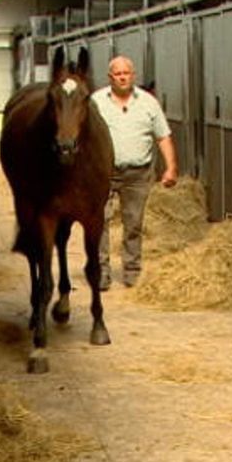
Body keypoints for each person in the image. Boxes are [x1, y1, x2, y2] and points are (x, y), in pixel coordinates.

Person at [91, 55, 178, 289]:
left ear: (133, 75)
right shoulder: (95, 102)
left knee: (133, 223)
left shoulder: (148, 103)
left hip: (138, 174)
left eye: (126, 73)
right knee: (100, 222)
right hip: (103, 173)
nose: (122, 77)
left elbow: (163, 136)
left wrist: (171, 167)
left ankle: (132, 270)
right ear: (110, 77)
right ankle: (101, 272)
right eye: (117, 73)